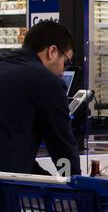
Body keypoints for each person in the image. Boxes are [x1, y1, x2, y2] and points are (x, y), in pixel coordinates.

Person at [0, 20, 79, 176]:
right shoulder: (47, 82)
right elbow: (62, 147)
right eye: (66, 62)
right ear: (52, 51)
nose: (63, 72)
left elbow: (12, 144)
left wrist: (44, 178)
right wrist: (74, 184)